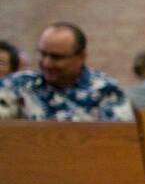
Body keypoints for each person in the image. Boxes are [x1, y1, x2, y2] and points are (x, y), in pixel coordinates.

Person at [0, 22, 131, 121]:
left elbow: (117, 142)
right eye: (42, 54)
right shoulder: (17, 85)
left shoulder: (107, 91)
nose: (46, 63)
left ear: (81, 57)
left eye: (56, 57)